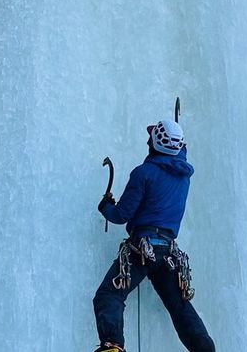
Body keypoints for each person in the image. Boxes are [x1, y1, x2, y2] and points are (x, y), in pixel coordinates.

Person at [93, 119, 215, 352]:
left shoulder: (144, 173)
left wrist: (105, 207)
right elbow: (179, 155)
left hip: (142, 249)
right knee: (180, 308)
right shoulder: (184, 175)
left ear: (154, 142)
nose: (147, 139)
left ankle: (112, 347)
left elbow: (122, 215)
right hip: (167, 254)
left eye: (151, 137)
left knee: (109, 295)